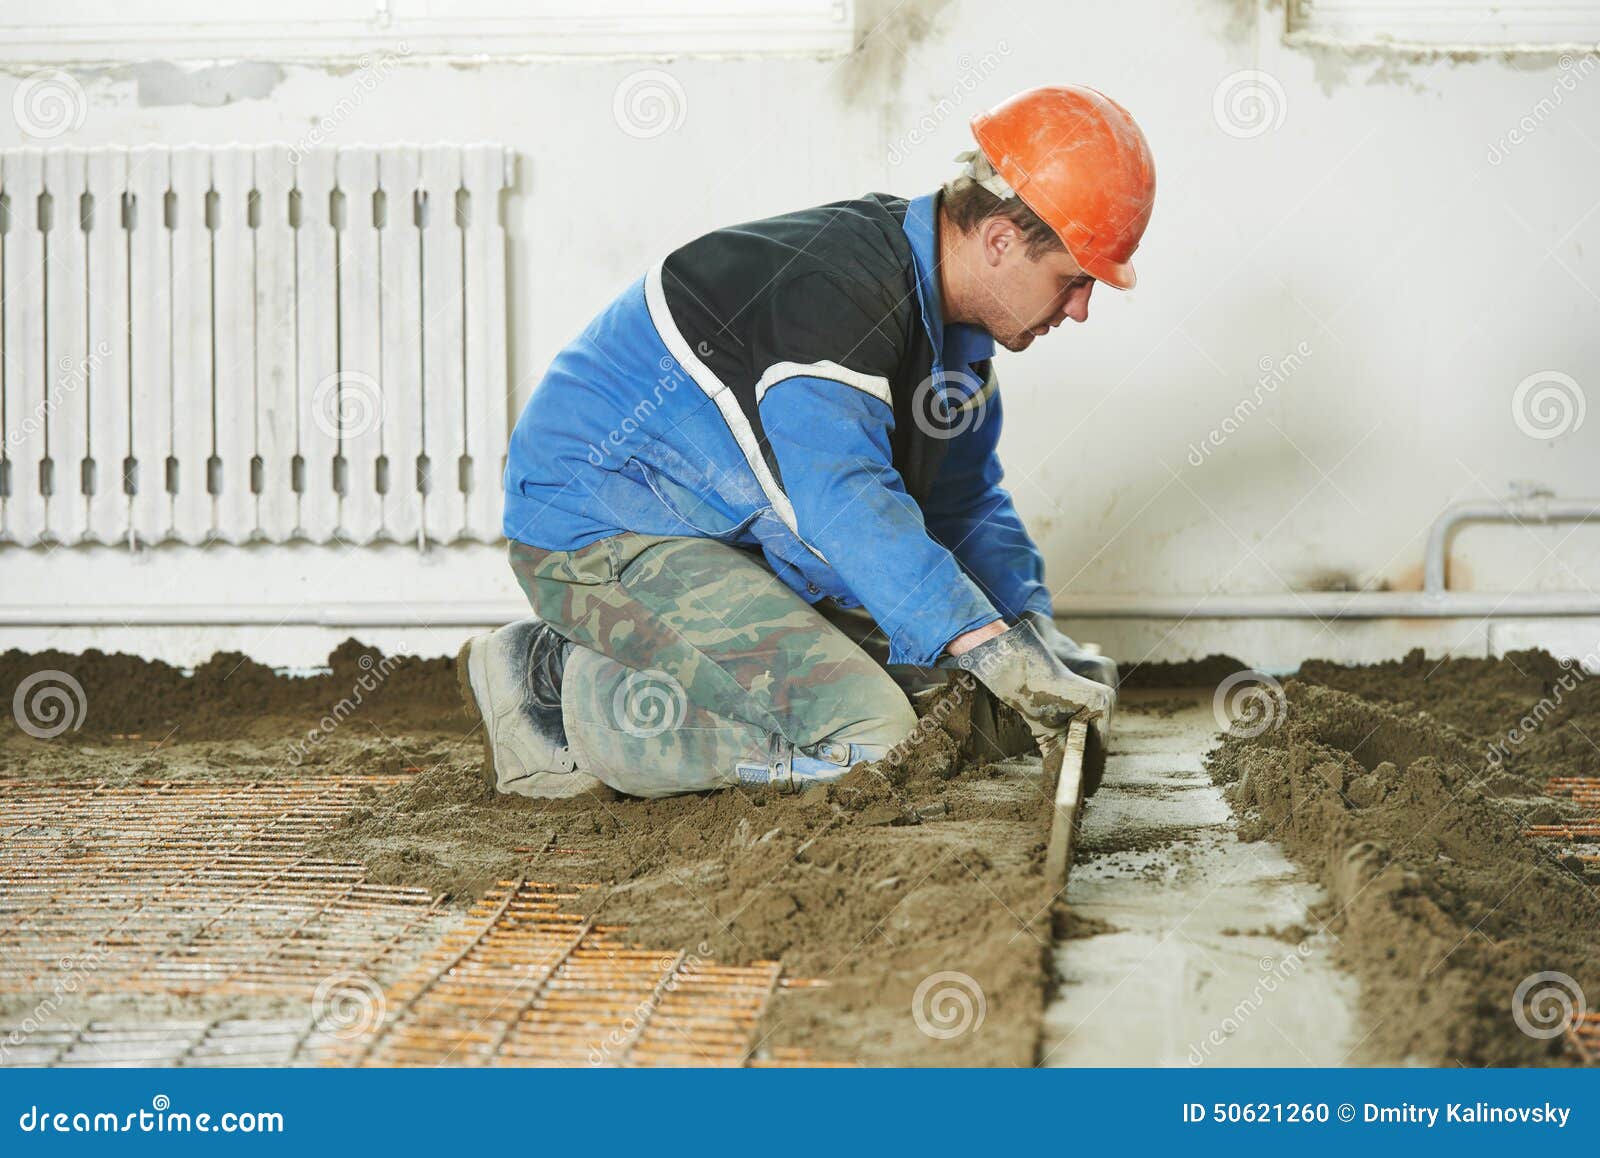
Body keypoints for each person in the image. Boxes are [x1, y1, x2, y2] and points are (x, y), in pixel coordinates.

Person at [457, 84, 1156, 799]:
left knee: (990, 689)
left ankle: (602, 661)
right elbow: (839, 503)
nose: (1081, 310)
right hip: (602, 533)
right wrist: (989, 650)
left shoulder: (955, 345)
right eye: (1073, 281)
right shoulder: (839, 291)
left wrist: (1030, 636)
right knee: (874, 736)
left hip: (718, 535)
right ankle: (555, 699)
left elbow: (965, 505)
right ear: (1002, 239)